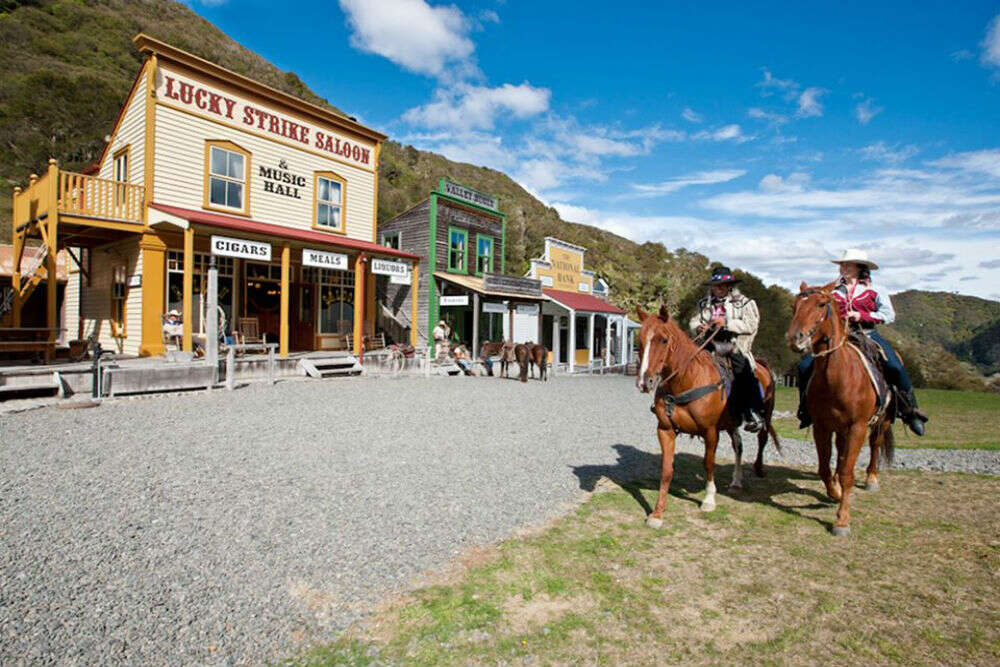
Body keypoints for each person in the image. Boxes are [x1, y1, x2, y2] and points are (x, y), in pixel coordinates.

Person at [796, 248, 928, 436]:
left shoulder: (875, 289)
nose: (843, 267)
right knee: (804, 366)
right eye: (842, 264)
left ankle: (910, 410)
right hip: (839, 336)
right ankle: (806, 409)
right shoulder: (832, 290)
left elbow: (889, 315)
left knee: (895, 365)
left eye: (847, 264)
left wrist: (862, 315)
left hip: (867, 333)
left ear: (860, 267)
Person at [689, 266, 766, 433]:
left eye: (723, 285)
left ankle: (751, 413)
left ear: (729, 286)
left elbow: (752, 325)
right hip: (708, 344)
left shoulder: (744, 303)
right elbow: (694, 321)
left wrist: (728, 324)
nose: (719, 289)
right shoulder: (704, 303)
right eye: (716, 286)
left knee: (743, 370)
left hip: (734, 345)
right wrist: (698, 327)